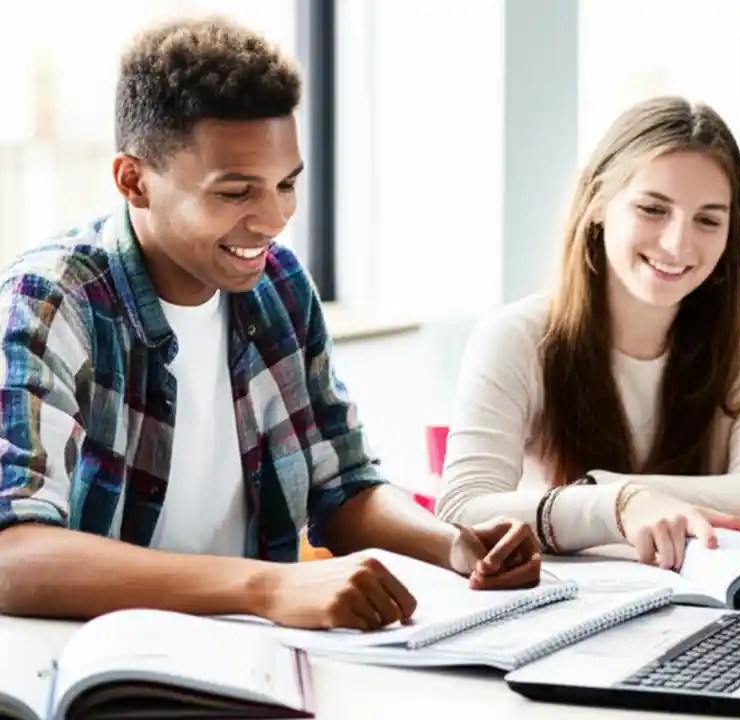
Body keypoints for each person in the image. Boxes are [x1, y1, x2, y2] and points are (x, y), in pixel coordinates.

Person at [0, 17, 540, 631]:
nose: (272, 219)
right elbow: (14, 556)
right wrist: (267, 587)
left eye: (285, 185)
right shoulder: (51, 299)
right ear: (133, 180)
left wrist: (454, 545)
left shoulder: (279, 285)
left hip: (252, 664)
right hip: (95, 667)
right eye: (235, 193)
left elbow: (344, 487)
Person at [436, 97, 740, 571]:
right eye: (653, 209)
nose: (677, 244)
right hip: (563, 610)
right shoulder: (515, 339)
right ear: (598, 205)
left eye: (708, 220)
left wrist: (603, 488)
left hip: (709, 610)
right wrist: (618, 504)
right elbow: (461, 512)